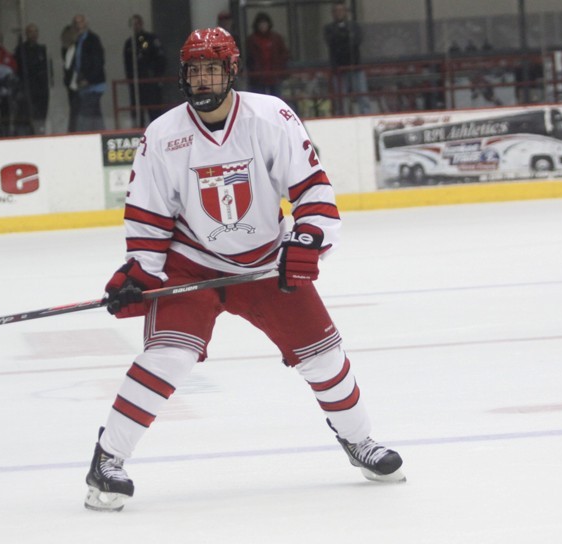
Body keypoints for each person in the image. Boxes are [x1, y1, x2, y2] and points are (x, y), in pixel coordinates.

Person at [83, 27, 405, 513]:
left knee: (324, 358)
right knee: (169, 357)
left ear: (232, 71)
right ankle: (107, 461)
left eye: (213, 68)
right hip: (191, 263)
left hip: (265, 263)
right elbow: (148, 216)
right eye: (195, 69)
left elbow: (313, 191)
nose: (203, 78)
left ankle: (360, 441)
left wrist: (306, 242)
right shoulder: (163, 135)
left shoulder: (271, 117)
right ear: (183, 75)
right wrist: (140, 276)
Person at [323, 1, 370, 115]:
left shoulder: (354, 26)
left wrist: (343, 37)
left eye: (341, 10)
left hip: (355, 66)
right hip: (339, 69)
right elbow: (332, 42)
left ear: (346, 12)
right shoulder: (329, 28)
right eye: (336, 11)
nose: (339, 13)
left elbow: (357, 41)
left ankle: (366, 115)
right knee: (340, 99)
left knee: (362, 96)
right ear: (332, 13)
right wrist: (344, 37)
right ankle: (341, 116)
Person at [123, 14, 167, 126]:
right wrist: (130, 81)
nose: (135, 26)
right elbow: (128, 64)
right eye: (133, 24)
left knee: (155, 111)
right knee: (137, 113)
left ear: (141, 24)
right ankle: (138, 132)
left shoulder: (151, 39)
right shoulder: (129, 43)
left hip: (151, 82)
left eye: (137, 23)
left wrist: (158, 77)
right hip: (137, 84)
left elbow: (160, 59)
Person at [69, 14, 106, 131]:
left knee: (84, 116)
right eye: (76, 23)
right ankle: (103, 136)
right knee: (95, 115)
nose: (78, 26)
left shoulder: (92, 39)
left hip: (93, 85)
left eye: (80, 22)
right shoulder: (79, 41)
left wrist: (88, 80)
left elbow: (98, 62)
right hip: (85, 85)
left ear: (86, 23)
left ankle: (81, 138)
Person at [15, 23, 52, 135]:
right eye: (31, 32)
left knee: (40, 116)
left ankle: (40, 132)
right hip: (27, 88)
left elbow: (47, 69)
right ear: (26, 34)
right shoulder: (21, 50)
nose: (34, 34)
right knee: (28, 115)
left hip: (41, 89)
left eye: (36, 31)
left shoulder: (42, 49)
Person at [245, 12, 290, 97]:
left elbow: (284, 54)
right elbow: (249, 58)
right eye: (260, 23)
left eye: (264, 23)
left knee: (276, 99)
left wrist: (281, 69)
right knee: (260, 100)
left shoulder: (276, 38)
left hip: (274, 75)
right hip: (258, 77)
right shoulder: (252, 40)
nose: (263, 26)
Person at [61, 24, 79, 133]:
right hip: (71, 86)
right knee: (73, 109)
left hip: (77, 85)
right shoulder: (65, 50)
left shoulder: (78, 49)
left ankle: (74, 130)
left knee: (77, 111)